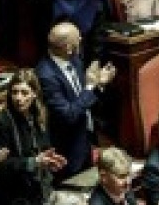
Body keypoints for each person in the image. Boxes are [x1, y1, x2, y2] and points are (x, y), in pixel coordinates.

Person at [36, 21, 116, 177]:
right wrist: (91, 86)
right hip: (66, 152)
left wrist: (99, 83)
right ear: (68, 47)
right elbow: (68, 115)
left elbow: (83, 99)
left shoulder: (74, 60)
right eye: (78, 39)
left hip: (84, 140)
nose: (81, 39)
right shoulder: (45, 75)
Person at [0, 68, 64, 205]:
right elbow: (2, 165)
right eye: (14, 92)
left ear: (34, 93)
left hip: (40, 191)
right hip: (15, 199)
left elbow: (43, 148)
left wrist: (50, 160)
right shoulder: (2, 121)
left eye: (24, 92)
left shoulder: (40, 115)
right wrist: (34, 162)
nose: (18, 98)